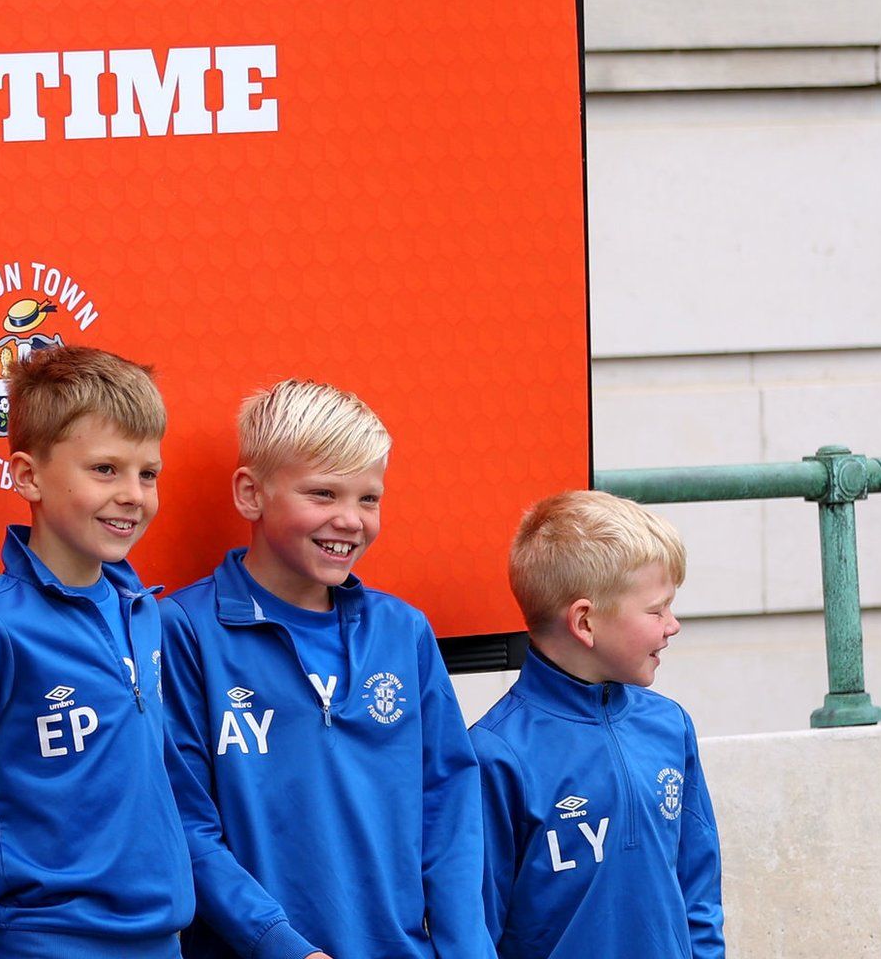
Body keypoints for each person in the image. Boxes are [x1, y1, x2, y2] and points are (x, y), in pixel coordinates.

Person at [160, 380, 493, 959]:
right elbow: (185, 824)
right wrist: (280, 945)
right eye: (322, 494)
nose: (349, 520)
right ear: (250, 494)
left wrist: (467, 948)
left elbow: (449, 806)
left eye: (369, 499)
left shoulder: (403, 631)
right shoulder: (184, 629)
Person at [0, 344, 194, 959]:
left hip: (161, 941)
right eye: (105, 470)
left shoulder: (144, 611)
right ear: (27, 475)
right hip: (43, 944)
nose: (133, 494)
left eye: (147, 473)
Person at [472, 490, 724, 959]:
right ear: (585, 622)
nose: (673, 625)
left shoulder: (670, 726)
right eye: (656, 609)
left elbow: (698, 888)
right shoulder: (496, 755)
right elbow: (477, 928)